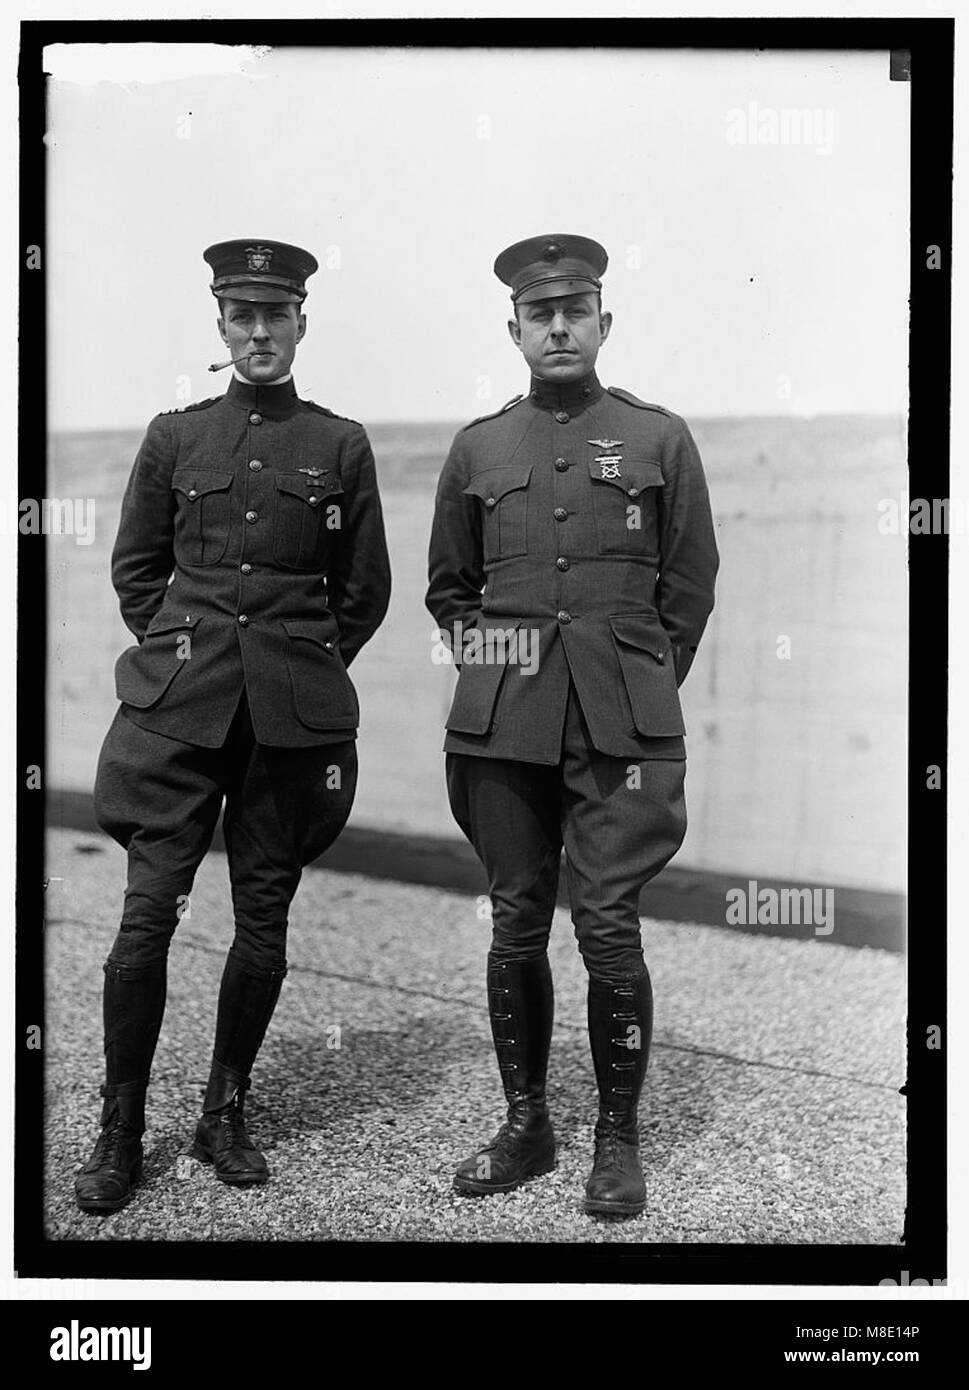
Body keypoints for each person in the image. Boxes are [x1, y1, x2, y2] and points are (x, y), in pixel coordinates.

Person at [75, 239, 391, 1213]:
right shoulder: (175, 438)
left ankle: (225, 1108)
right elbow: (137, 571)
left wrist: (293, 666)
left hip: (288, 729)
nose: (259, 333)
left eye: (277, 316)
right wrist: (182, 656)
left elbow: (365, 591)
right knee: (144, 921)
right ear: (220, 325)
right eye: (241, 317)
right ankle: (121, 1126)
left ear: (302, 323)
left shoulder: (339, 445)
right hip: (177, 716)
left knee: (264, 919)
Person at [426, 234, 718, 1216]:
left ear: (603, 321)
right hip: (502, 730)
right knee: (515, 920)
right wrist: (515, 678)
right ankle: (527, 1124)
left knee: (606, 926)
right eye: (539, 314)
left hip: (617, 731)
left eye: (575, 310)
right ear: (513, 328)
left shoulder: (658, 437)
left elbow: (688, 588)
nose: (558, 327)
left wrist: (629, 683)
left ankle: (617, 1140)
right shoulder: (480, 446)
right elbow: (451, 593)